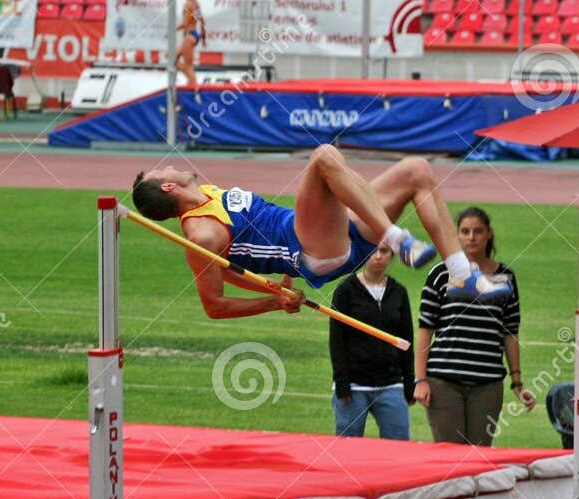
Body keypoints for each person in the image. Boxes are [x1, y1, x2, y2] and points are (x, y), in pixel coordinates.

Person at [130, 147, 510, 322]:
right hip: (309, 248)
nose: (170, 166)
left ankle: (461, 274)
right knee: (325, 158)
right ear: (167, 189)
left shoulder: (207, 196)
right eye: (160, 172)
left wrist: (272, 288)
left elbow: (231, 269)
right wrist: (274, 301)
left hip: (333, 232)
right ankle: (395, 238)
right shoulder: (200, 235)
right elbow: (214, 304)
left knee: (417, 170)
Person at [415, 207, 536, 446]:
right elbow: (425, 329)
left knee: (480, 454)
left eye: (478, 231)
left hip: (487, 382)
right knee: (450, 455)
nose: (472, 237)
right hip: (444, 379)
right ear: (457, 236)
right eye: (465, 231)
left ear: (488, 234)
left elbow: (510, 332)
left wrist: (517, 382)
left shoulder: (505, 278)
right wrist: (420, 380)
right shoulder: (441, 273)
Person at [329, 245, 415, 440]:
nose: (378, 256)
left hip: (391, 384)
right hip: (353, 387)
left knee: (399, 444)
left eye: (384, 251)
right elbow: (337, 341)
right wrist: (342, 383)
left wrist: (409, 383)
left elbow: (406, 341)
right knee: (347, 448)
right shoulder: (345, 290)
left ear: (392, 255)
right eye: (372, 251)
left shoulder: (399, 292)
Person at [175, 0, 204, 89]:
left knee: (187, 66)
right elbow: (201, 20)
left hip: (189, 36)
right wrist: (203, 36)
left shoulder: (188, 4)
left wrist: (172, 30)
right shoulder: (196, 3)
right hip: (194, 35)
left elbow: (186, 23)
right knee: (173, 58)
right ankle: (191, 81)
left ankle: (194, 84)